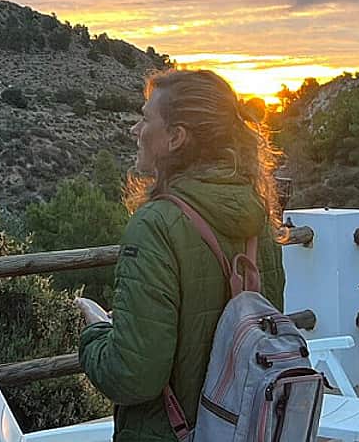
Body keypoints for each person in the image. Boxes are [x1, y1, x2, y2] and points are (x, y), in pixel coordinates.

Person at [78, 69, 286, 441]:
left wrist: (95, 333)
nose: (135, 129)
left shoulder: (156, 225)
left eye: (145, 119)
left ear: (175, 138)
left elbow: (133, 375)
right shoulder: (258, 218)